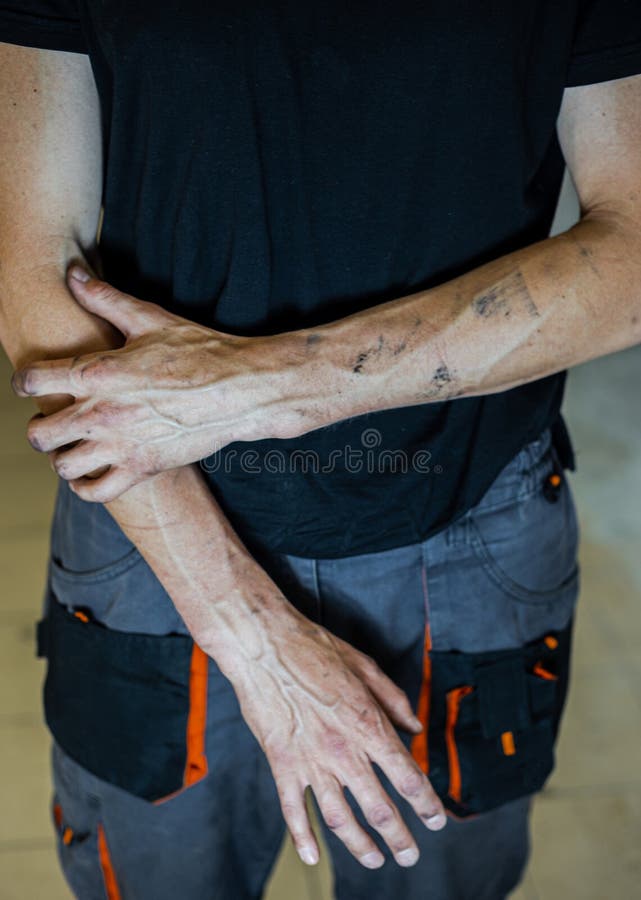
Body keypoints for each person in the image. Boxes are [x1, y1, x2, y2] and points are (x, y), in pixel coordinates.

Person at [1, 2, 640, 898]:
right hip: (151, 518)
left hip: (463, 517)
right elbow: (40, 264)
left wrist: (259, 383)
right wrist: (248, 632)